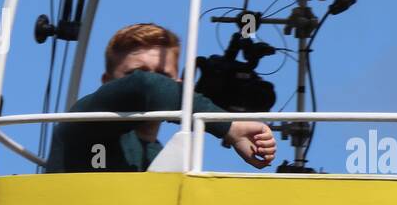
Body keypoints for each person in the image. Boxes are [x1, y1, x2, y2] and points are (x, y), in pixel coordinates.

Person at [46, 23, 276, 173]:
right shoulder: (86, 120)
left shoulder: (159, 156)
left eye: (165, 77)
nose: (156, 83)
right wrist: (230, 125)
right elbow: (147, 87)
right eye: (134, 73)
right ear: (107, 82)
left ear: (178, 85)